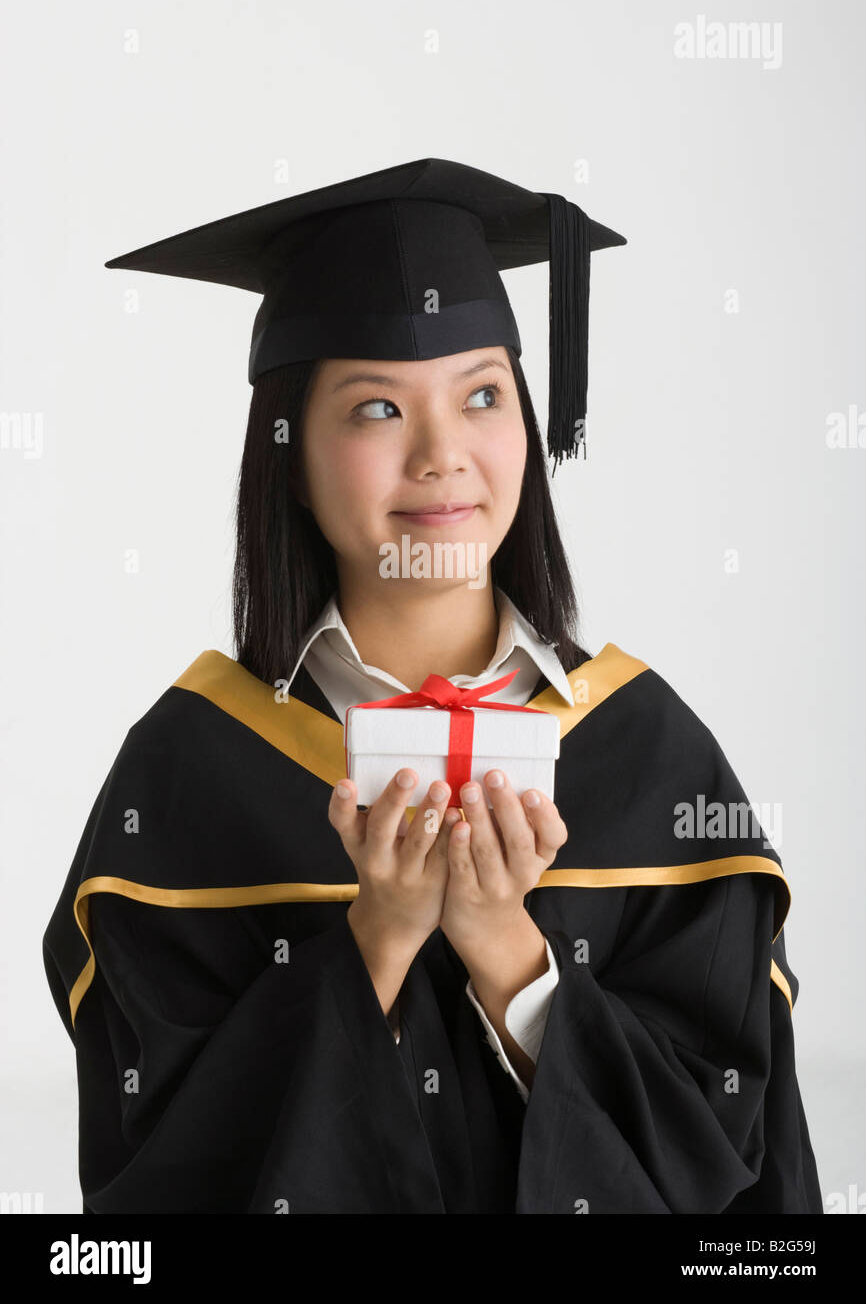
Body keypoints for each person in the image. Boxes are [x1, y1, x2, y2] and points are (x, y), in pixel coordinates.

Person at [42, 158, 822, 1213]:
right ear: (290, 453)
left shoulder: (649, 752)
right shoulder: (190, 773)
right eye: (373, 409)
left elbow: (732, 1164)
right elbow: (157, 1171)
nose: (443, 455)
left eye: (483, 395)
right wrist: (378, 937)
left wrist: (507, 949)